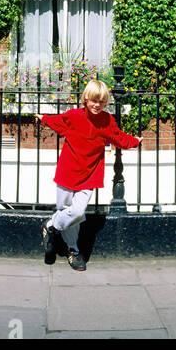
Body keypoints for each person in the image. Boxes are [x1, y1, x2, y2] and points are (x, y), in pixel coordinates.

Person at [37, 80, 141, 271]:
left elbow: (118, 137)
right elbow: (56, 121)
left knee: (76, 212)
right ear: (85, 99)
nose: (97, 105)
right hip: (67, 172)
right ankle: (73, 250)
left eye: (101, 101)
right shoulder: (74, 116)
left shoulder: (107, 121)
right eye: (93, 100)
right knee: (69, 213)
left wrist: (135, 141)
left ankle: (50, 225)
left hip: (89, 175)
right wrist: (42, 117)